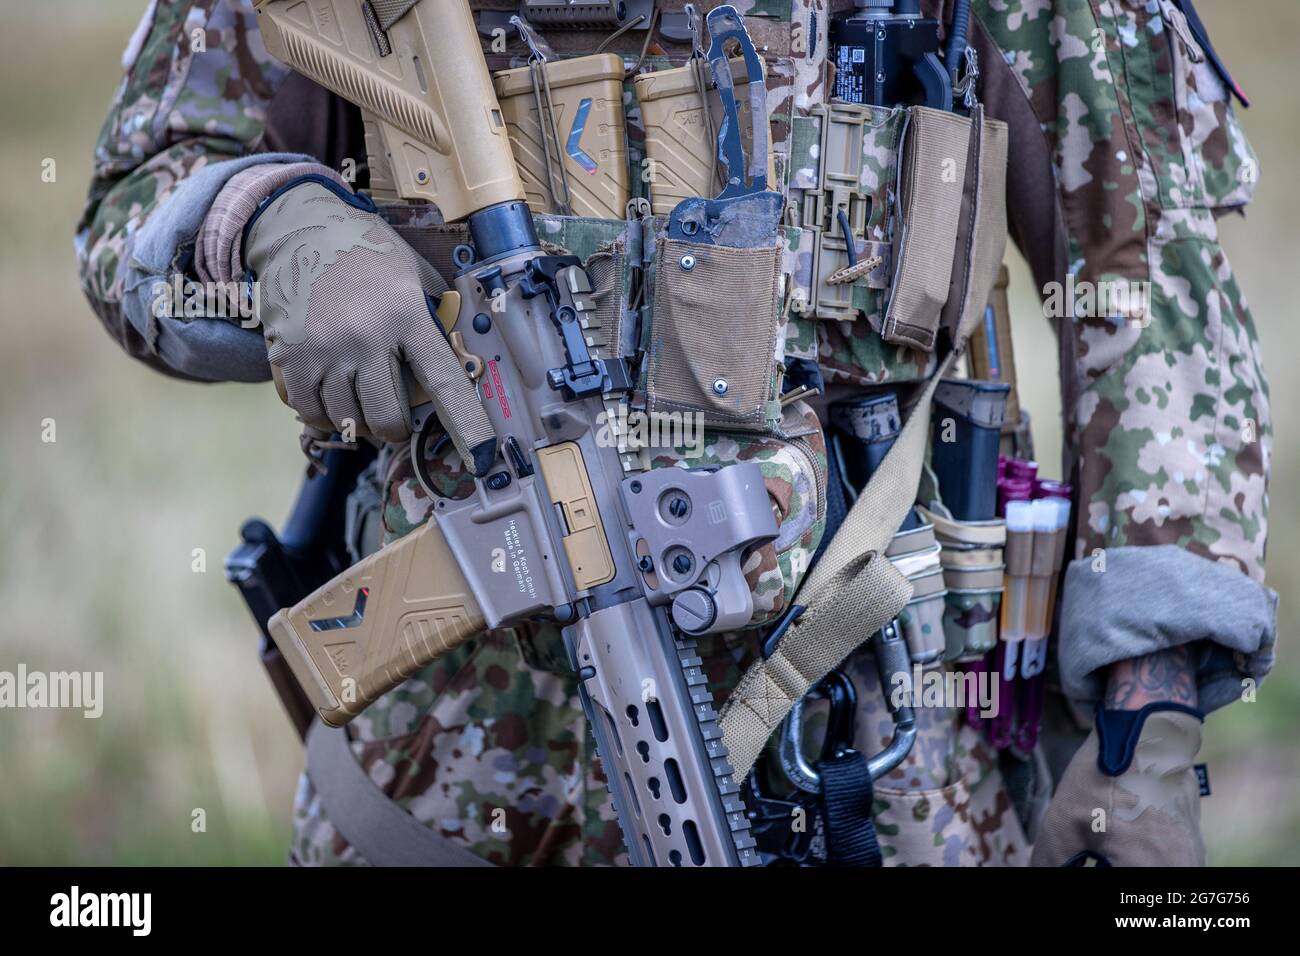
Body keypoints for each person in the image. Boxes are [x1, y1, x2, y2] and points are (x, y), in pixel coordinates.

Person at [77, 0, 1275, 866]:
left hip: (889, 782)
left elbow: (1144, 270)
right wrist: (271, 224)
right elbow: (139, 197)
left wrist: (1147, 726)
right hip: (444, 788)